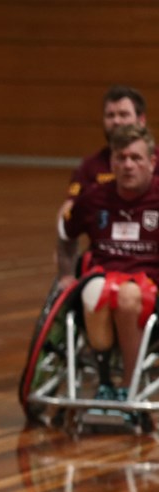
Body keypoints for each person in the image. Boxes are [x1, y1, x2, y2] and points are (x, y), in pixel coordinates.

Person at [57, 123, 159, 404]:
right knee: (97, 291)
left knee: (127, 296)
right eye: (121, 158)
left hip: (149, 282)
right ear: (112, 162)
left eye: (136, 158)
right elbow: (65, 235)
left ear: (151, 162)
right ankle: (104, 380)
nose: (128, 165)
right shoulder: (94, 198)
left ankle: (129, 381)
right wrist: (65, 275)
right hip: (103, 274)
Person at [61, 86, 147, 218]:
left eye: (123, 114)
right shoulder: (89, 166)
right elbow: (68, 211)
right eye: (110, 115)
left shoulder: (156, 159)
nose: (116, 121)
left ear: (141, 120)